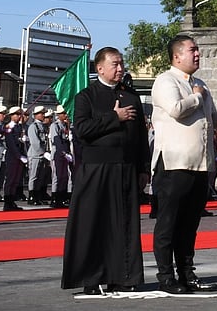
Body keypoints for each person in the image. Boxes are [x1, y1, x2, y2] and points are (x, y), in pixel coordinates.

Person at [61, 46, 150, 295]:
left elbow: (141, 137)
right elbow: (82, 130)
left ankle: (121, 276)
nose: (120, 68)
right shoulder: (86, 96)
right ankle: (91, 277)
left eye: (122, 64)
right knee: (93, 224)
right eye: (115, 64)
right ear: (99, 67)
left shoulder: (131, 97)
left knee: (124, 225)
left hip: (125, 168)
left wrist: (144, 167)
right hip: (96, 169)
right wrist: (114, 118)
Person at [150, 34, 217, 294]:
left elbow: (213, 119)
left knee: (189, 225)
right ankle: (165, 276)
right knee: (168, 224)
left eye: (198, 50)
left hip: (199, 165)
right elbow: (175, 109)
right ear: (177, 56)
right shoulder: (165, 80)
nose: (198, 54)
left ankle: (186, 272)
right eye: (192, 50)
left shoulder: (200, 84)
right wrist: (196, 97)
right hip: (173, 164)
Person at [2, 106, 28, 211]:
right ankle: (7, 202)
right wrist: (19, 156)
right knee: (10, 179)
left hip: (20, 156)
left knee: (16, 179)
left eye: (19, 114)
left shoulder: (19, 127)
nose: (18, 116)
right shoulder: (9, 127)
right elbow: (10, 144)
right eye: (16, 114)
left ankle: (12, 200)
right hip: (13, 156)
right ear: (11, 116)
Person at [50, 105, 73, 208]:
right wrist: (64, 153)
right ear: (58, 115)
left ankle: (61, 197)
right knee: (57, 177)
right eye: (63, 113)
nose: (65, 115)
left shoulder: (66, 126)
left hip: (66, 154)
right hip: (58, 154)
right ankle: (55, 199)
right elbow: (57, 142)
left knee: (64, 177)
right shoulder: (55, 126)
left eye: (66, 113)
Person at [27, 106, 51, 205]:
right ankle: (31, 196)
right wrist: (43, 152)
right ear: (36, 115)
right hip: (35, 154)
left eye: (43, 113)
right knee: (34, 176)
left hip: (42, 155)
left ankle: (37, 195)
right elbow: (35, 142)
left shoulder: (42, 126)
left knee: (40, 177)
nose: (43, 115)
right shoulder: (33, 126)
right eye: (41, 113)